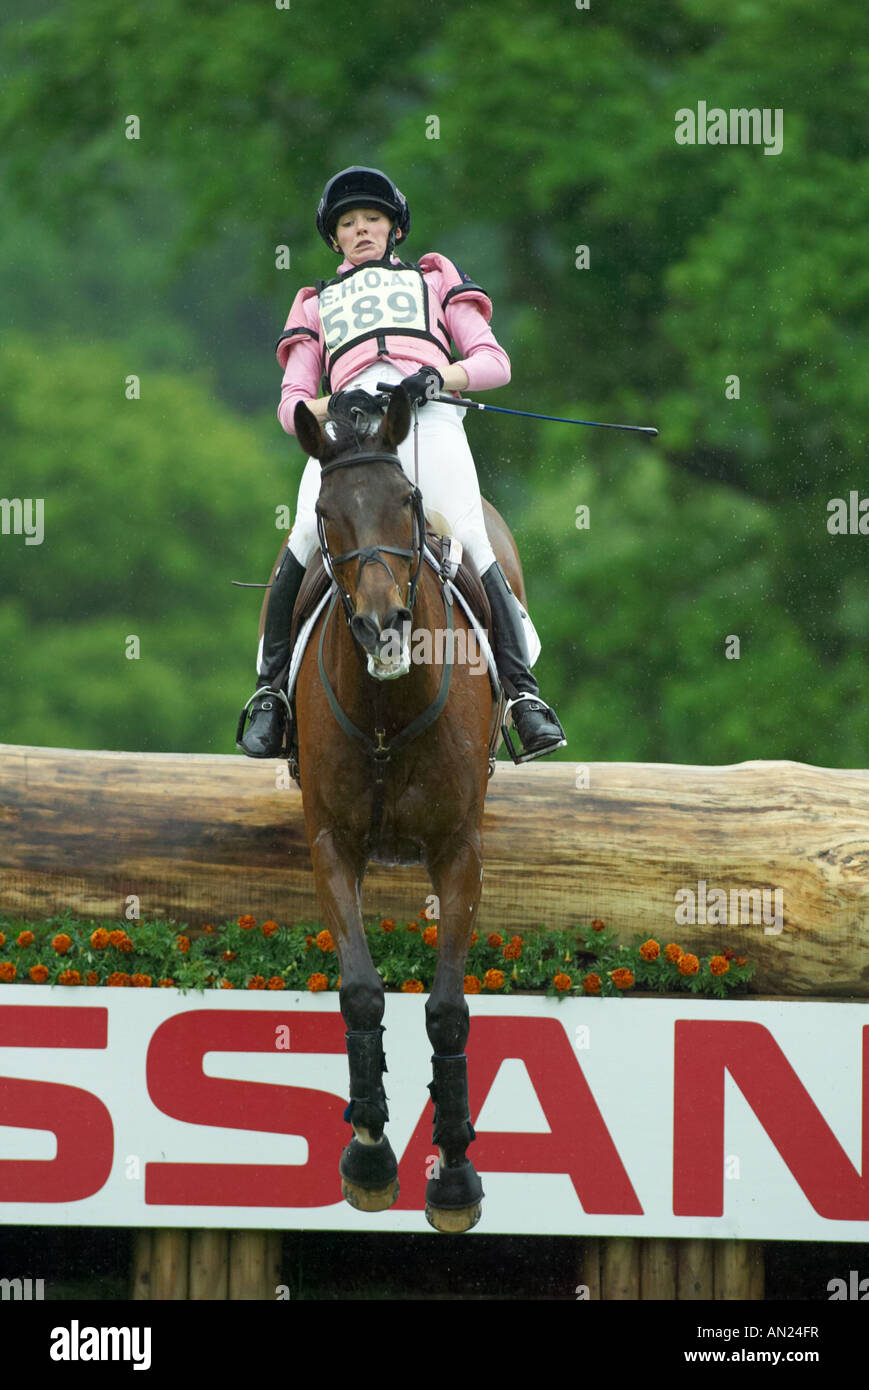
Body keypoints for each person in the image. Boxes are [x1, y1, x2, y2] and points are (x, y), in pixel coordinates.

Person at [237, 165, 566, 763]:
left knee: (468, 532)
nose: (361, 229)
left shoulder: (435, 281)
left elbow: (495, 362)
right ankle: (271, 696)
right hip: (348, 437)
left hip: (426, 419)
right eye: (347, 223)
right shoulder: (315, 302)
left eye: (372, 219)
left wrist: (437, 377)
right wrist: (333, 401)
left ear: (393, 228)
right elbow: (291, 408)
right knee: (306, 535)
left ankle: (522, 696)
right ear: (334, 238)